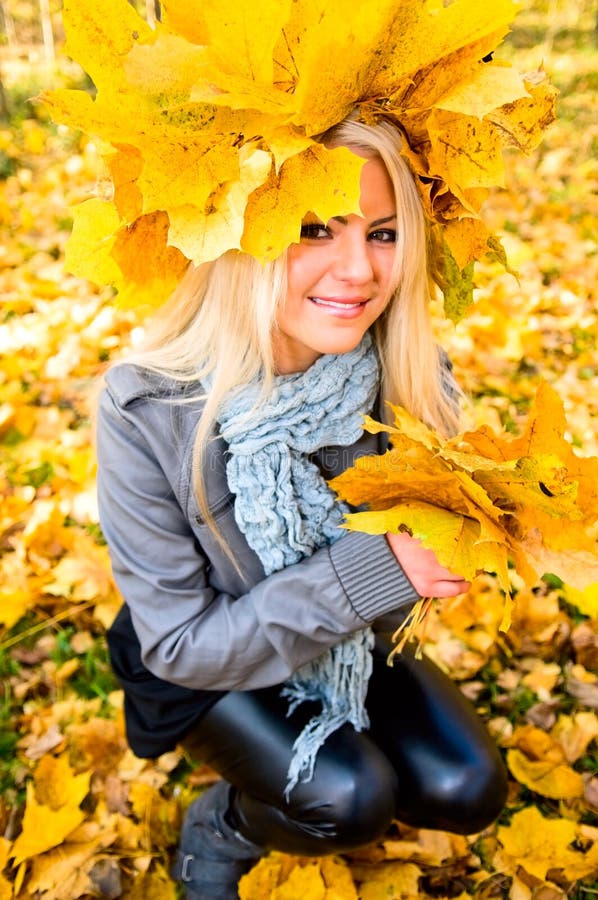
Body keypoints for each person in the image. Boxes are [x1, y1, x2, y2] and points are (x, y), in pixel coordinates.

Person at [97, 116, 508, 900]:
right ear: (241, 235)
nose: (358, 270)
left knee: (465, 788)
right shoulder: (148, 407)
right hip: (206, 658)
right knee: (349, 799)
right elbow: (181, 645)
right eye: (315, 228)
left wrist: (451, 546)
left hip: (348, 635)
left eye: (383, 233)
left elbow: (403, 591)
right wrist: (378, 569)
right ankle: (227, 824)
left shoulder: (407, 372)